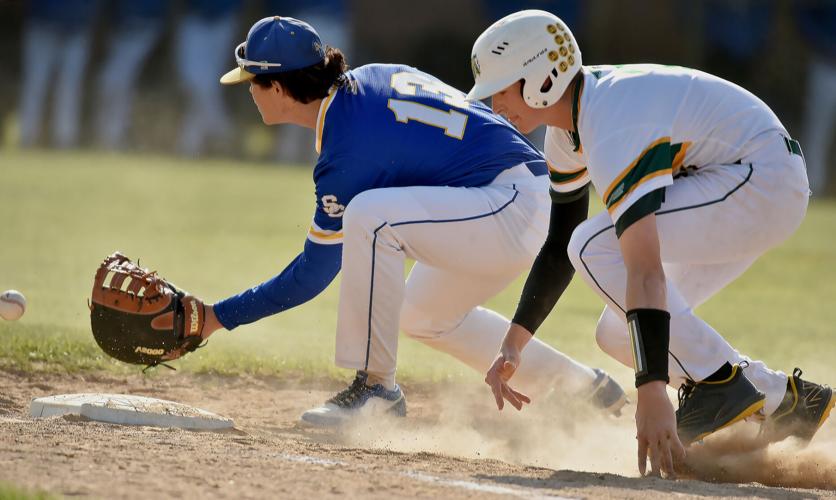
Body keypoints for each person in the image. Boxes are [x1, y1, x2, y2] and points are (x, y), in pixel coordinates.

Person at [191, 16, 626, 426]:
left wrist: (216, 317)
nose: (249, 91)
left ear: (281, 88)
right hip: (512, 195)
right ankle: (584, 390)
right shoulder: (369, 81)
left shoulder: (346, 150)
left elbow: (314, 273)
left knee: (371, 217)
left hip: (512, 202)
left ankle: (376, 389)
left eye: (254, 81)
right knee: (420, 314)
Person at [468, 10, 834, 477]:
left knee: (594, 247)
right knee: (617, 331)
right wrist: (514, 343)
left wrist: (651, 389)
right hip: (743, 183)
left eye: (502, 88)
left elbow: (644, 269)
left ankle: (722, 383)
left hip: (760, 179)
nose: (496, 105)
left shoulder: (611, 119)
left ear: (542, 77)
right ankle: (787, 399)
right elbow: (558, 240)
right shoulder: (571, 128)